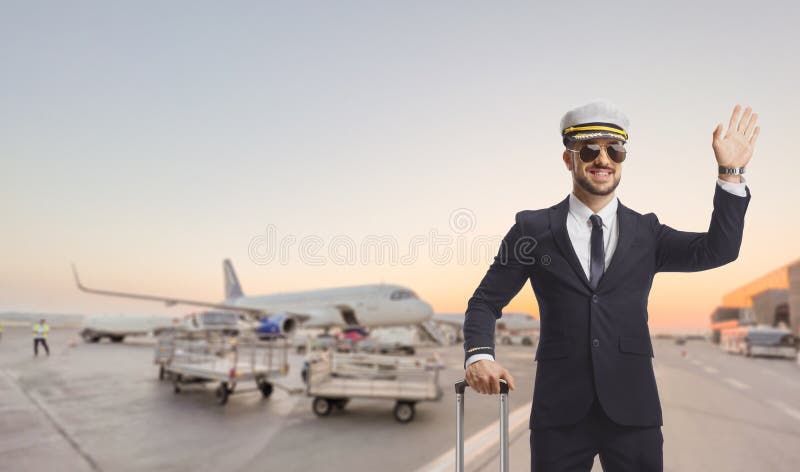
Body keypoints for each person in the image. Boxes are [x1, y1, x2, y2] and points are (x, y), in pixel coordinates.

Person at [463, 99, 758, 471]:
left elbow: (719, 249)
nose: (603, 159)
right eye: (589, 150)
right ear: (568, 159)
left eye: (615, 150)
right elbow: (485, 301)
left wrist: (730, 173)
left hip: (634, 411)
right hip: (560, 413)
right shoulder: (531, 229)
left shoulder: (647, 232)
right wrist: (480, 355)